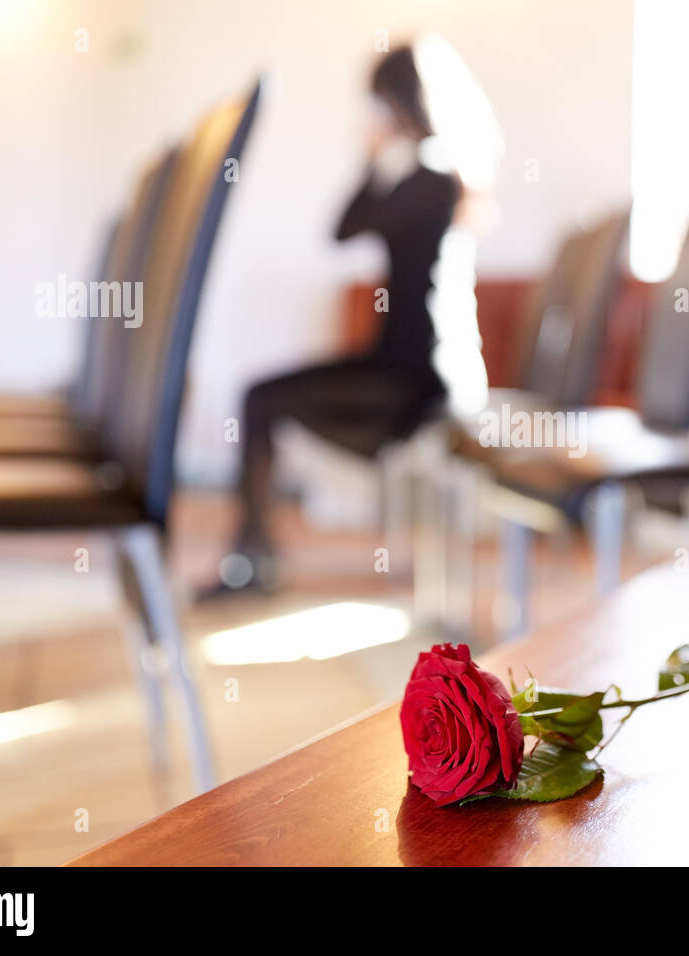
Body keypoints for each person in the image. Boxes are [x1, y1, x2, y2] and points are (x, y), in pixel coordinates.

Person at [207, 39, 501, 596]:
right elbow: (342, 229)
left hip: (417, 377)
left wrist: (372, 160)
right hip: (398, 364)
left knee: (259, 400)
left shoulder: (433, 176)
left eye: (381, 104)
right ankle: (252, 553)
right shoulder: (425, 174)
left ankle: (250, 560)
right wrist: (370, 161)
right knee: (260, 399)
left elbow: (347, 226)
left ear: (401, 102)